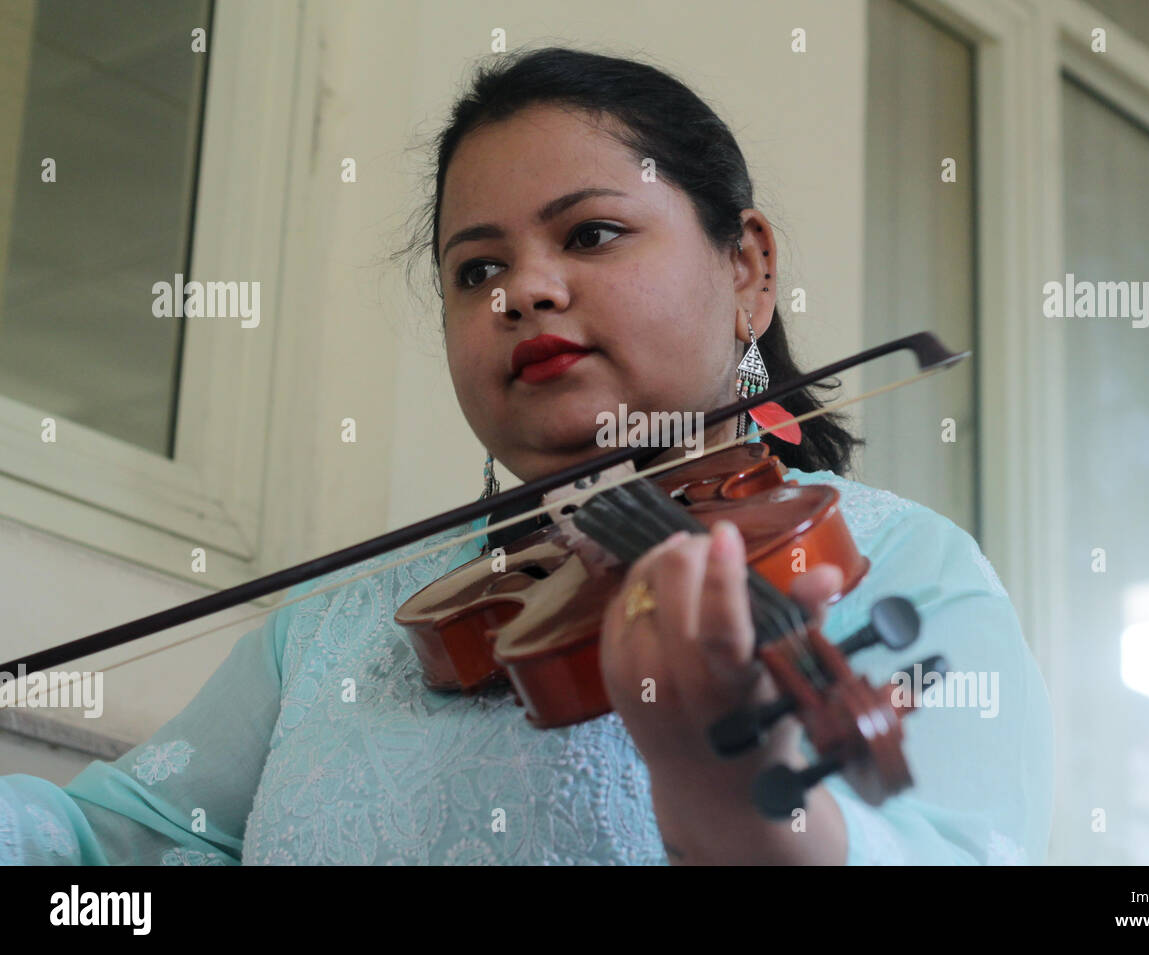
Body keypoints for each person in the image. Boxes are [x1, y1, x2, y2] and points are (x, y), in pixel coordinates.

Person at [0, 45, 1052, 865]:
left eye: (590, 235)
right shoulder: (348, 623)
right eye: (477, 269)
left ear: (747, 266)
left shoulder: (883, 568)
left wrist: (734, 792)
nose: (524, 292)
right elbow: (107, 864)